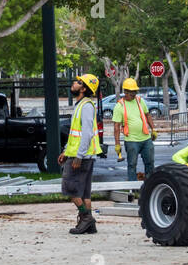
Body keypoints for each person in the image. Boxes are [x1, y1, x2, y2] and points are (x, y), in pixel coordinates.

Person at [58, 73, 102, 235]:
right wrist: (65, 151)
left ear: (83, 89)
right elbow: (74, 134)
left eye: (78, 82)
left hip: (81, 156)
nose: (74, 84)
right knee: (84, 191)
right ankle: (89, 225)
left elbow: (87, 133)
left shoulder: (87, 107)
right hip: (80, 154)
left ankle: (85, 218)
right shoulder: (81, 105)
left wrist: (79, 156)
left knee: (69, 187)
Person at [112, 78, 157, 181]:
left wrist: (153, 129)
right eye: (131, 92)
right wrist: (117, 144)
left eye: (135, 91)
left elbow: (147, 115)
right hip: (131, 141)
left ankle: (149, 187)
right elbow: (116, 127)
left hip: (145, 138)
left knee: (150, 163)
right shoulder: (119, 106)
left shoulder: (140, 101)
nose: (133, 94)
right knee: (132, 165)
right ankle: (132, 188)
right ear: (125, 92)